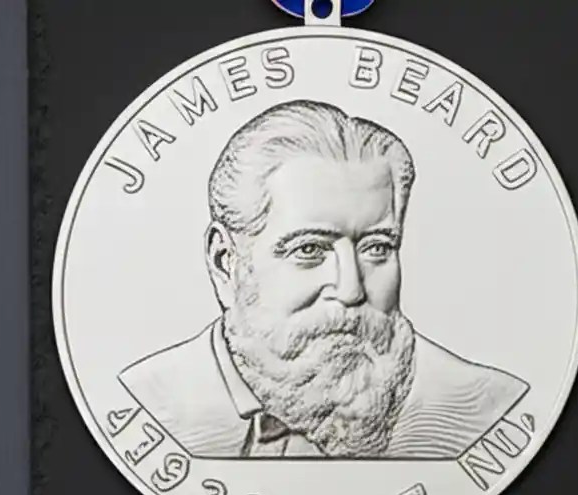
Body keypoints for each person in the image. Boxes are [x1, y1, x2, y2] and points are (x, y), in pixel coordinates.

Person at [119, 100, 528, 459]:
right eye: (309, 250)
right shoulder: (145, 406)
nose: (351, 290)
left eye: (377, 248)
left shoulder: (485, 410)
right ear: (226, 262)